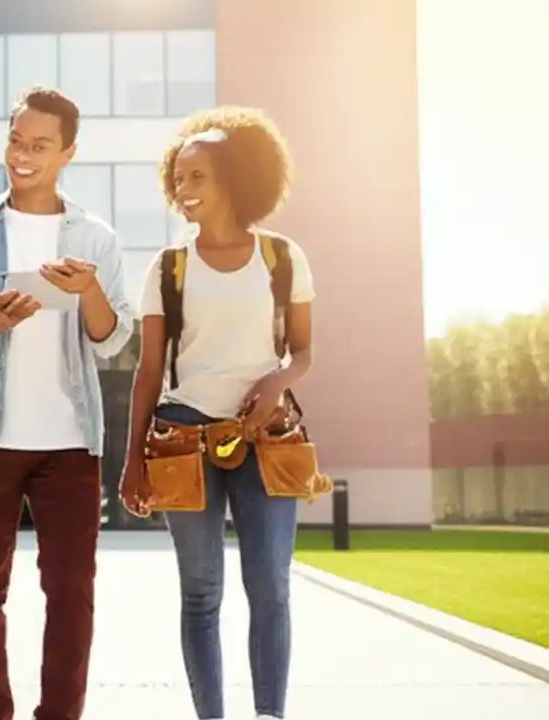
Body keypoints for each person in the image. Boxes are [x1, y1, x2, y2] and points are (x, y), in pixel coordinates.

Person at [0, 86, 134, 720]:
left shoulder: (94, 236)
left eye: (40, 145)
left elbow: (113, 336)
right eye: (17, 139)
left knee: (72, 593)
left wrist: (90, 291)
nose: (23, 154)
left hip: (68, 444)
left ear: (68, 151)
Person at [119, 106, 316, 720]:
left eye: (197, 176)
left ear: (233, 178)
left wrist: (278, 380)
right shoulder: (168, 268)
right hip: (182, 440)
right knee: (200, 595)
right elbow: (148, 372)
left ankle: (269, 716)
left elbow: (303, 350)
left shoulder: (283, 258)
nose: (184, 190)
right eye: (178, 177)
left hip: (265, 440)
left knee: (272, 591)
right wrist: (132, 465)